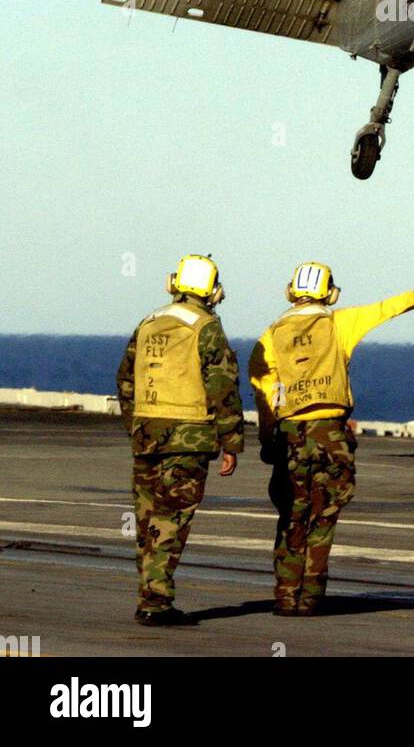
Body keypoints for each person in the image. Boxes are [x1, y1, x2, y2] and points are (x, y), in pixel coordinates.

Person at [249, 261, 414, 616]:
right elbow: (388, 309)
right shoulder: (339, 323)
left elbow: (264, 390)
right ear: (330, 293)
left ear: (291, 292)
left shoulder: (270, 335)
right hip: (330, 435)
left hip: (290, 434)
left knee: (291, 515)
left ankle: (285, 595)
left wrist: (267, 438)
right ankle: (309, 599)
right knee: (323, 515)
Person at [116, 253, 244, 626]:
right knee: (171, 518)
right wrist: (231, 441)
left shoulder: (148, 322)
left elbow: (125, 380)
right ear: (213, 291)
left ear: (174, 283)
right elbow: (223, 387)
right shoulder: (207, 327)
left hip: (147, 436)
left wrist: (136, 426)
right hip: (188, 441)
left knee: (147, 520)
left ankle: (149, 595)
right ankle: (156, 602)